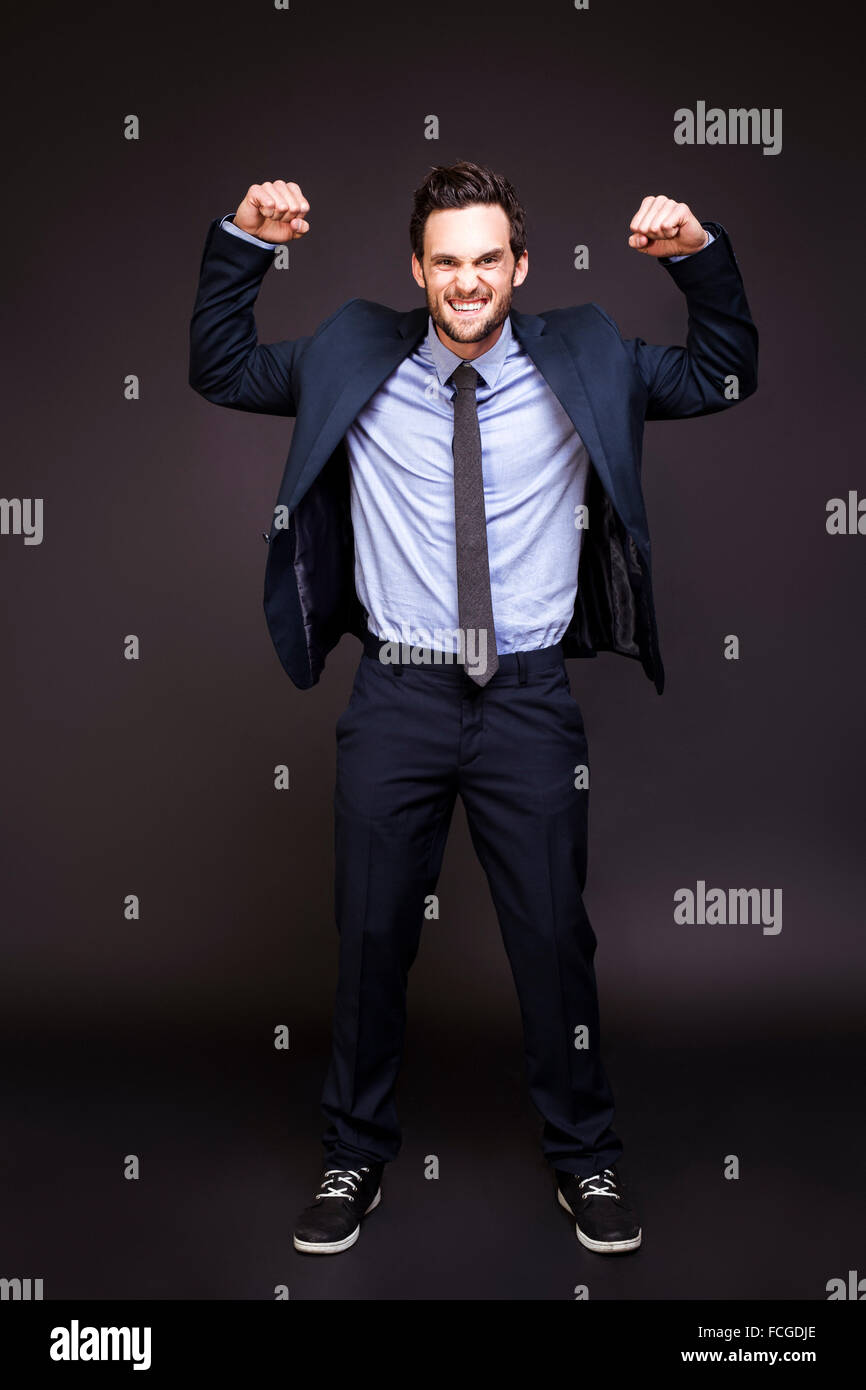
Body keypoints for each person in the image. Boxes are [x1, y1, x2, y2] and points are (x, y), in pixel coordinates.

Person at [189, 161, 758, 1257]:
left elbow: (725, 371)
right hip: (395, 693)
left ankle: (585, 1163)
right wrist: (246, 239)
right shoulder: (352, 353)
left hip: (529, 702)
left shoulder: (585, 353)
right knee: (367, 936)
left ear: (519, 266)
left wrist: (693, 254)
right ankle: (352, 1154)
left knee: (552, 941)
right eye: (444, 262)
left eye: (485, 260)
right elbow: (216, 363)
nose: (464, 281)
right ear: (416, 268)